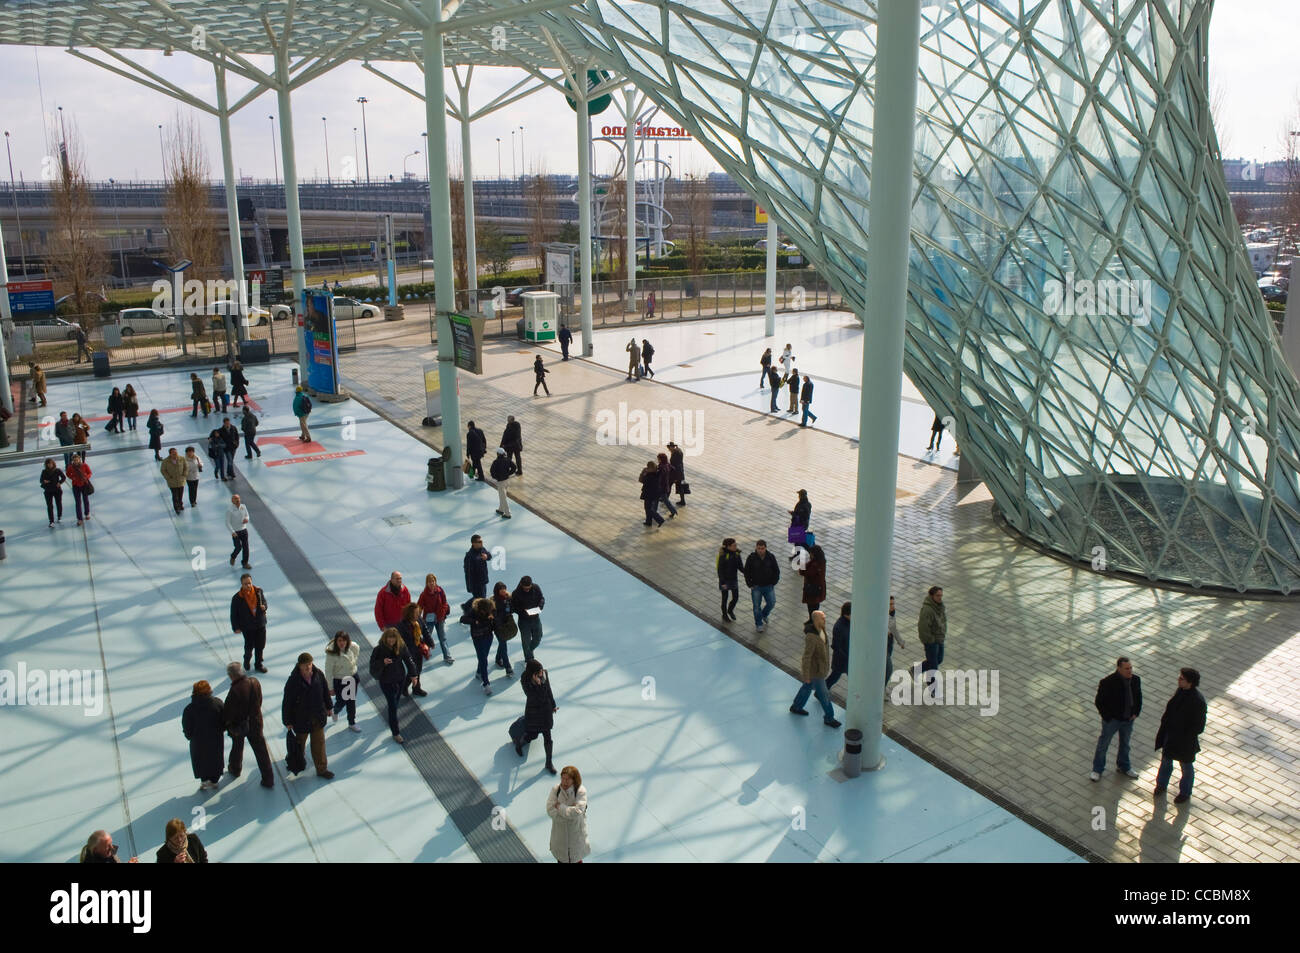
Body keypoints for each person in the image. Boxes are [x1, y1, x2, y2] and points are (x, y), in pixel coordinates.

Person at [1153, 668, 1207, 804]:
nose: (1178, 679)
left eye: (1182, 678)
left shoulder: (1198, 701)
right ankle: (1161, 785)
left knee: (1186, 767)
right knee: (1166, 762)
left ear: (1190, 682)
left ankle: (1185, 792)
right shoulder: (1181, 691)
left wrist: (1183, 733)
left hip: (1185, 742)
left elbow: (1199, 726)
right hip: (1171, 737)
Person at [281, 652, 334, 778]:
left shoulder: (318, 674)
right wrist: (287, 721)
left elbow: (325, 691)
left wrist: (329, 706)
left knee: (319, 744)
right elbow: (287, 702)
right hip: (301, 719)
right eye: (305, 665)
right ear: (299, 666)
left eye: (309, 664)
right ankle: (296, 764)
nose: (308, 667)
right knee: (299, 745)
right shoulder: (293, 681)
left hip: (317, 716)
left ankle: (322, 769)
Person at [1090, 657, 1143, 782]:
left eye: (1130, 668)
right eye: (1126, 669)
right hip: (1113, 720)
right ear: (1119, 668)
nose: (1129, 671)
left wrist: (1136, 712)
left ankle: (1124, 766)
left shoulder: (1135, 680)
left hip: (1128, 719)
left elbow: (1138, 697)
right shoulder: (1108, 682)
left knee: (1125, 744)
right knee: (1103, 744)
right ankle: (1097, 769)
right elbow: (1099, 701)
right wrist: (1107, 717)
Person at [224, 661, 274, 787]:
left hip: (240, 725)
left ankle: (235, 769)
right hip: (256, 722)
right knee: (261, 751)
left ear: (231, 676)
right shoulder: (254, 682)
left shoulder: (234, 691)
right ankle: (268, 779)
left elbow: (229, 712)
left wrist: (229, 724)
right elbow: (259, 700)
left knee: (237, 746)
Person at [790, 611, 841, 728]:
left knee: (807, 687)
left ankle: (796, 706)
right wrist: (807, 676)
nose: (825, 620)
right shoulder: (811, 637)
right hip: (816, 672)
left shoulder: (821, 630)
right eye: (822, 618)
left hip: (820, 669)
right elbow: (806, 657)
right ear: (815, 620)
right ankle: (829, 718)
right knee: (824, 695)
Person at [369, 628, 414, 743]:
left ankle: (392, 718)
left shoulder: (401, 647)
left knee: (395, 702)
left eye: (393, 637)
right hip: (386, 681)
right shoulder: (378, 650)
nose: (391, 640)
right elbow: (372, 666)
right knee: (393, 706)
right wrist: (382, 662)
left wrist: (414, 675)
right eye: (389, 637)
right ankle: (396, 732)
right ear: (385, 638)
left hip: (399, 679)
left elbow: (409, 660)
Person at [515, 659, 558, 774]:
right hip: (534, 712)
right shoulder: (525, 680)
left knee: (548, 738)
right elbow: (533, 697)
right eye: (538, 672)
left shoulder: (544, 674)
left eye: (541, 670)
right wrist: (538, 684)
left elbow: (548, 690)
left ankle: (549, 763)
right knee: (532, 735)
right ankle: (519, 744)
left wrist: (553, 705)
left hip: (546, 712)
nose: (541, 673)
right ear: (532, 673)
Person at [182, 680, 225, 791]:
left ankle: (204, 781)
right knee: (216, 760)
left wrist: (190, 736)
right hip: (216, 740)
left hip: (198, 742)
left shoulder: (189, 709)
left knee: (201, 762)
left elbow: (187, 728)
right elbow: (224, 720)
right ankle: (214, 781)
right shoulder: (217, 703)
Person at [546, 765, 590, 863]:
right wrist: (570, 813)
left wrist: (560, 807)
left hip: (576, 836)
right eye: (563, 778)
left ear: (574, 780)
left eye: (568, 779)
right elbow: (550, 810)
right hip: (560, 836)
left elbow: (577, 811)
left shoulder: (580, 792)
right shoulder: (556, 790)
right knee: (561, 860)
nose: (564, 781)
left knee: (576, 859)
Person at [324, 632, 362, 732]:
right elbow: (328, 671)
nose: (342, 643)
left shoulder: (352, 647)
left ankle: (351, 722)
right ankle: (335, 710)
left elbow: (356, 652)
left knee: (351, 702)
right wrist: (330, 687)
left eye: (344, 640)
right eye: (340, 641)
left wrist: (353, 666)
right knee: (341, 701)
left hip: (352, 678)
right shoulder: (331, 653)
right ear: (336, 641)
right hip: (341, 680)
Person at [231, 572, 269, 672]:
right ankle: (246, 660)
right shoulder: (237, 598)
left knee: (260, 645)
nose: (248, 585)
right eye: (245, 584)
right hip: (247, 627)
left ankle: (258, 664)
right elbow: (234, 614)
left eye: (249, 583)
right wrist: (236, 627)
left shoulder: (259, 591)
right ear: (241, 585)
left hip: (260, 624)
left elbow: (265, 602)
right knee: (249, 647)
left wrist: (264, 606)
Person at [743, 539, 780, 631]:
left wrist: (774, 582)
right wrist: (749, 584)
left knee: (772, 602)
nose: (760, 550)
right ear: (756, 548)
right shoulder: (751, 558)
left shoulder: (770, 557)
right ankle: (759, 624)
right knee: (756, 606)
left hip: (768, 586)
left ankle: (764, 614)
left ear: (765, 548)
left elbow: (776, 570)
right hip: (756, 587)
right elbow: (746, 572)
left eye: (762, 548)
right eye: (758, 548)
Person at [417, 573, 454, 664]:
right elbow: (419, 607)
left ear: (435, 581)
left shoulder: (440, 591)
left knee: (443, 638)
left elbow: (445, 602)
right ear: (426, 583)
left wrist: (442, 612)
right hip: (429, 620)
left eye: (433, 581)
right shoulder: (424, 594)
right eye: (429, 582)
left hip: (440, 619)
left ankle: (447, 656)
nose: (431, 583)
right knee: (427, 637)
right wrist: (418, 618)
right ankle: (425, 653)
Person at [917, 585, 947, 695]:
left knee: (938, 660)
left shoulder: (940, 606)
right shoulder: (927, 610)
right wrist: (930, 640)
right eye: (938, 596)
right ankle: (932, 688)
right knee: (933, 665)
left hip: (939, 639)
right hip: (931, 641)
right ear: (931, 596)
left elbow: (943, 620)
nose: (940, 598)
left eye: (941, 596)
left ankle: (916, 670)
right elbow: (923, 627)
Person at [512, 575, 546, 663]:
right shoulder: (516, 593)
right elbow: (514, 607)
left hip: (535, 618)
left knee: (538, 637)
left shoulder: (536, 588)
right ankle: (529, 658)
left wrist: (540, 606)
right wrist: (523, 611)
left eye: (528, 588)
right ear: (521, 585)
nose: (527, 589)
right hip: (524, 621)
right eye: (525, 588)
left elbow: (541, 598)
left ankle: (529, 650)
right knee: (526, 641)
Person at [468, 597, 497, 695]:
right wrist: (474, 622)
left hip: (488, 636)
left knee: (484, 656)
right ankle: (486, 683)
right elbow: (463, 619)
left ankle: (479, 672)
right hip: (478, 637)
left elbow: (496, 616)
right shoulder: (474, 612)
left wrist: (493, 617)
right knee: (483, 659)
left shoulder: (491, 610)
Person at [716, 537, 743, 622]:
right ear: (728, 547)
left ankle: (730, 610)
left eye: (736, 545)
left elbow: (740, 567)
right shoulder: (723, 556)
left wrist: (748, 573)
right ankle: (724, 615)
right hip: (724, 581)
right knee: (725, 598)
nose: (735, 547)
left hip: (733, 580)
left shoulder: (737, 554)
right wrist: (723, 582)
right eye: (733, 545)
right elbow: (720, 570)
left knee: (736, 597)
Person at [492, 582, 516, 677]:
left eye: (504, 590)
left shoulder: (508, 599)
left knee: (502, 643)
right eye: (501, 591)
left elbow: (512, 610)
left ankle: (498, 658)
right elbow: (495, 615)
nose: (503, 592)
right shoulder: (493, 602)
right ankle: (508, 668)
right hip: (498, 627)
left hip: (506, 624)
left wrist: (509, 602)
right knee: (503, 645)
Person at [826, 602, 851, 690]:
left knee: (852, 676)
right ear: (846, 614)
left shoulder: (849, 622)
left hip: (848, 657)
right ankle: (821, 691)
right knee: (834, 677)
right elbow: (836, 646)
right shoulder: (839, 627)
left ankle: (821, 691)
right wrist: (847, 657)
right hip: (842, 659)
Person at [800, 544, 826, 620]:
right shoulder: (821, 562)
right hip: (818, 588)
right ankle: (811, 620)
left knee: (812, 607)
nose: (810, 555)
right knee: (814, 606)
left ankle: (813, 621)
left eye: (811, 553)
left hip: (813, 589)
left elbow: (803, 572)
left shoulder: (815, 565)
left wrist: (802, 563)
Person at [490, 447, 516, 518]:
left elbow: (492, 472)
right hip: (507, 480)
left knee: (503, 497)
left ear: (498, 454)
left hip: (501, 481)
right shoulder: (508, 459)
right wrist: (509, 473)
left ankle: (508, 513)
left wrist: (496, 477)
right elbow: (514, 467)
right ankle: (501, 509)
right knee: (503, 496)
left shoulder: (496, 462)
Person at [464, 534, 491, 602]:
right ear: (473, 543)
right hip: (475, 584)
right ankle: (467, 607)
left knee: (481, 600)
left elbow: (489, 556)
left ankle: (466, 606)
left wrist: (486, 556)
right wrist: (470, 587)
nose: (481, 543)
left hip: (483, 581)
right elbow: (468, 573)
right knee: (481, 601)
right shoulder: (469, 556)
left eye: (481, 541)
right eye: (479, 542)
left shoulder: (482, 549)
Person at [160, 448, 188, 514]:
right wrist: (168, 477)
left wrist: (184, 474)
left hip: (181, 481)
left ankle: (180, 504)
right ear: (170, 454)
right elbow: (163, 470)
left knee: (180, 494)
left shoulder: (182, 459)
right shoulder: (165, 461)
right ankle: (176, 508)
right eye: (173, 453)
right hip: (172, 482)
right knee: (175, 495)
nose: (175, 454)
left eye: (176, 452)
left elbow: (186, 467)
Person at [227, 493, 251, 568]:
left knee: (246, 547)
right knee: (238, 547)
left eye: (238, 498)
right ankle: (233, 556)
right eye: (235, 499)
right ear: (232, 501)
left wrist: (247, 519)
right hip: (235, 532)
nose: (238, 500)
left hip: (243, 529)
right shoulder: (230, 510)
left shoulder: (243, 506)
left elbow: (247, 515)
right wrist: (232, 532)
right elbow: (227, 522)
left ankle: (245, 563)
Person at [67, 453, 92, 525]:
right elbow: (68, 474)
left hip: (84, 485)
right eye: (74, 460)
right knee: (78, 502)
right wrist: (72, 478)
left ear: (79, 460)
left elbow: (90, 472)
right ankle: (79, 519)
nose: (76, 461)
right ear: (72, 461)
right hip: (76, 486)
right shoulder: (70, 467)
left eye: (77, 460)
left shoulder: (84, 465)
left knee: (85, 500)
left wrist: (86, 477)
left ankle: (87, 513)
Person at [40, 458, 66, 527]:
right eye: (48, 464)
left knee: (58, 503)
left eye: (51, 463)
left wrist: (59, 483)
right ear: (46, 464)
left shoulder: (57, 470)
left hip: (57, 489)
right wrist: (44, 481)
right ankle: (51, 521)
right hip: (48, 491)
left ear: (53, 463)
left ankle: (59, 516)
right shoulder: (44, 471)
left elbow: (63, 477)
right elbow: (41, 480)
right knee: (49, 506)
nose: (49, 465)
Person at [639, 460, 664, 527]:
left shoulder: (650, 476)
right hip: (655, 494)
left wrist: (643, 473)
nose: (647, 468)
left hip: (649, 494)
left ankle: (660, 519)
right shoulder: (657, 473)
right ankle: (648, 521)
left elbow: (641, 480)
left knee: (648, 509)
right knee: (649, 508)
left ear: (651, 468)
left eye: (648, 467)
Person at [655, 451, 678, 519]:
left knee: (661, 500)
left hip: (661, 487)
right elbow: (674, 469)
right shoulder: (667, 464)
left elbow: (660, 477)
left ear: (661, 459)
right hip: (665, 486)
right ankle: (673, 511)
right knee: (664, 500)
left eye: (658, 459)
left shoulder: (661, 467)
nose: (658, 460)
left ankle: (654, 512)